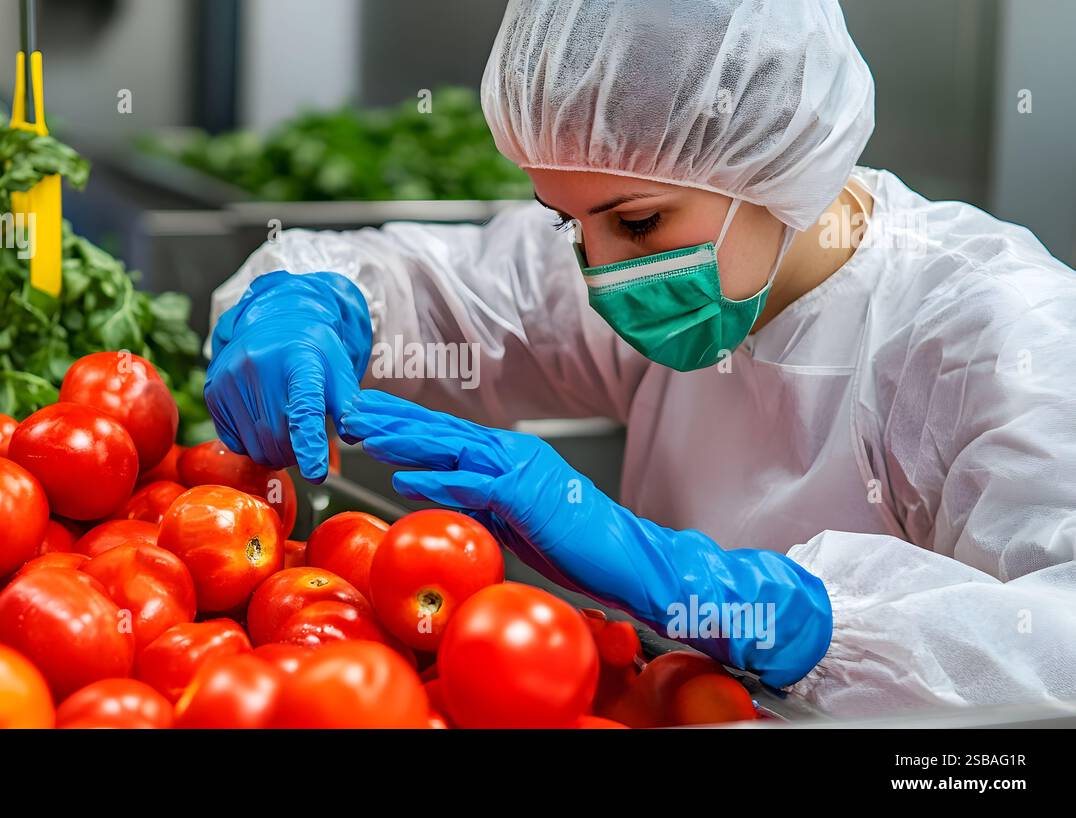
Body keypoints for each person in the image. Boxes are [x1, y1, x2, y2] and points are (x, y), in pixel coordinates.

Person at [204, 0, 1076, 716]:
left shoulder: (996, 328)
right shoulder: (657, 249)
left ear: (773, 163)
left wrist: (772, 613)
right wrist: (310, 304)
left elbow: (1055, 646)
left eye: (639, 222)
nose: (600, 274)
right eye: (566, 222)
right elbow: (445, 292)